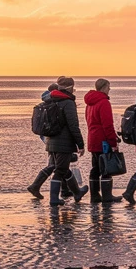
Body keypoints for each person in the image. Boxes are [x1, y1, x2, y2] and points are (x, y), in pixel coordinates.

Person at [45, 77, 89, 206]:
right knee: (59, 171)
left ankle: (77, 192)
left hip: (51, 140)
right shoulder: (68, 102)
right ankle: (54, 198)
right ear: (70, 87)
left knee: (62, 169)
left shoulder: (50, 100)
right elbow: (73, 125)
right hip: (63, 142)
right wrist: (80, 144)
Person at [84, 78, 121, 204]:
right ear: (104, 87)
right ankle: (107, 196)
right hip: (103, 140)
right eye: (109, 87)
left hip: (92, 139)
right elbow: (108, 125)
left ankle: (94, 195)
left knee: (95, 167)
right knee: (106, 168)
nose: (110, 89)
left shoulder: (90, 103)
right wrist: (113, 143)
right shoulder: (104, 102)